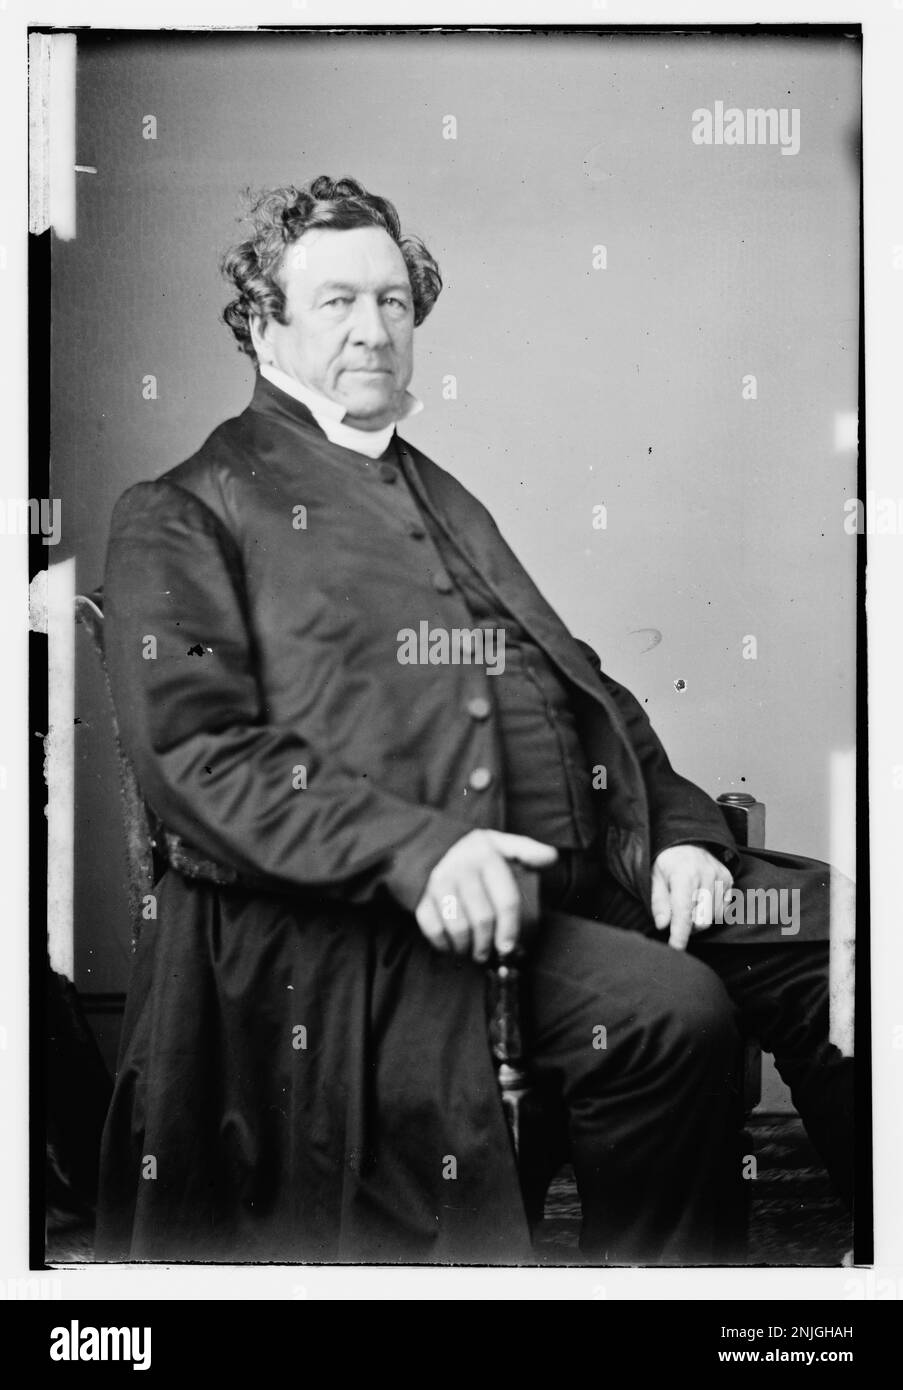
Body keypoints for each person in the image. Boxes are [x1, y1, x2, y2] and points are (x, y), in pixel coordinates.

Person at [94, 175, 853, 1265]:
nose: (375, 330)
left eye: (396, 302)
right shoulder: (187, 506)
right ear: (263, 325)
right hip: (384, 927)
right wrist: (418, 848)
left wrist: (684, 836)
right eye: (338, 303)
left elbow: (584, 687)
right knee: (666, 1015)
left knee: (849, 946)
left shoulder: (434, 490)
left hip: (601, 868)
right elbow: (196, 759)